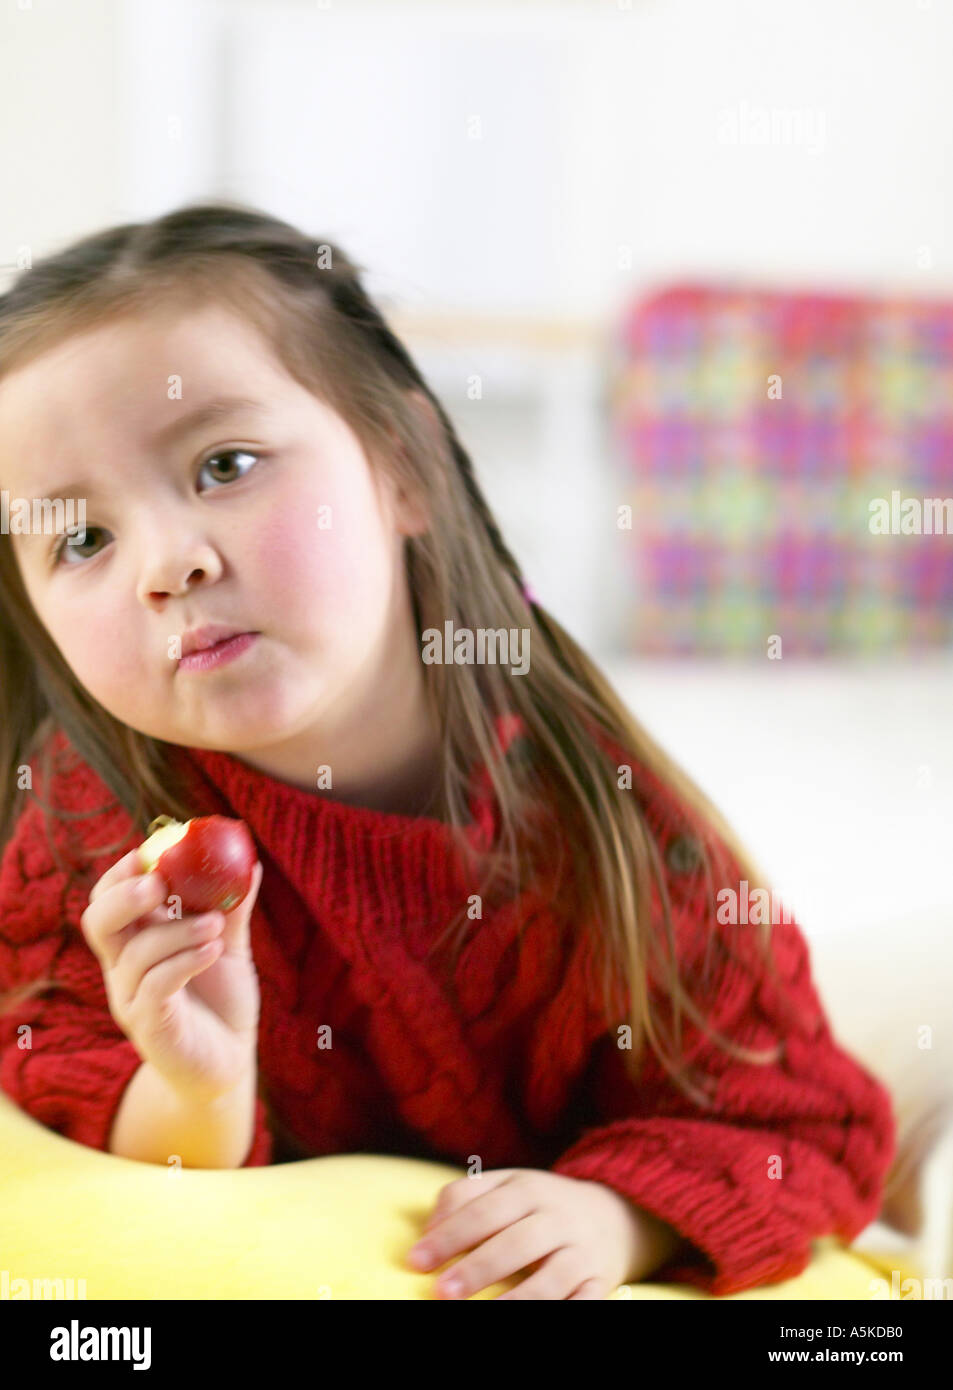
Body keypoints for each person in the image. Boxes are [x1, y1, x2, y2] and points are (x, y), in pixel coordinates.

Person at [0, 202, 895, 1300]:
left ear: (405, 469)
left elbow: (805, 1119)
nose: (165, 563)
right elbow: (76, 1134)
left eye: (223, 463)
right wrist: (195, 1083)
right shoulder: (89, 826)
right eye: (80, 537)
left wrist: (618, 1218)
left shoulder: (597, 807)